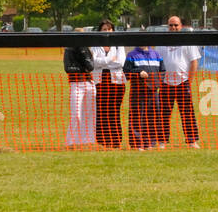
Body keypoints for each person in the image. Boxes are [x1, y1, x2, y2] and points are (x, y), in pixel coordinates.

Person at [160, 15, 202, 148]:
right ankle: (162, 141)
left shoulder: (187, 41)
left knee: (187, 113)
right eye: (171, 25)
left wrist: (189, 81)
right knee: (163, 113)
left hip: (183, 82)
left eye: (176, 25)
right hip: (166, 83)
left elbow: (194, 62)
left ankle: (192, 141)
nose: (173, 27)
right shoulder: (161, 43)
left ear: (181, 26)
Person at [92, 20, 127, 149]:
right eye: (104, 29)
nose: (106, 31)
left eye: (109, 29)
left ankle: (115, 140)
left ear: (113, 30)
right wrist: (109, 60)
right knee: (101, 110)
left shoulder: (118, 45)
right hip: (100, 81)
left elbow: (120, 62)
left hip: (116, 82)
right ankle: (102, 140)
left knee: (114, 110)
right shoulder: (95, 45)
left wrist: (103, 62)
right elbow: (94, 62)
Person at [124, 42, 164, 149]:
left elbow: (162, 71)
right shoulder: (131, 55)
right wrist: (138, 72)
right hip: (138, 91)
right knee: (137, 117)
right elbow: (127, 72)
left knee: (153, 117)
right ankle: (137, 144)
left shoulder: (156, 54)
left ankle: (150, 143)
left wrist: (157, 83)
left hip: (153, 91)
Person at [64, 29, 96, 147]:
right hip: (76, 84)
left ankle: (88, 140)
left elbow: (91, 66)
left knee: (89, 114)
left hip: (89, 83)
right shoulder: (69, 50)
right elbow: (68, 68)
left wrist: (82, 65)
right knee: (76, 114)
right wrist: (82, 69)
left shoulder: (87, 49)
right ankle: (71, 141)